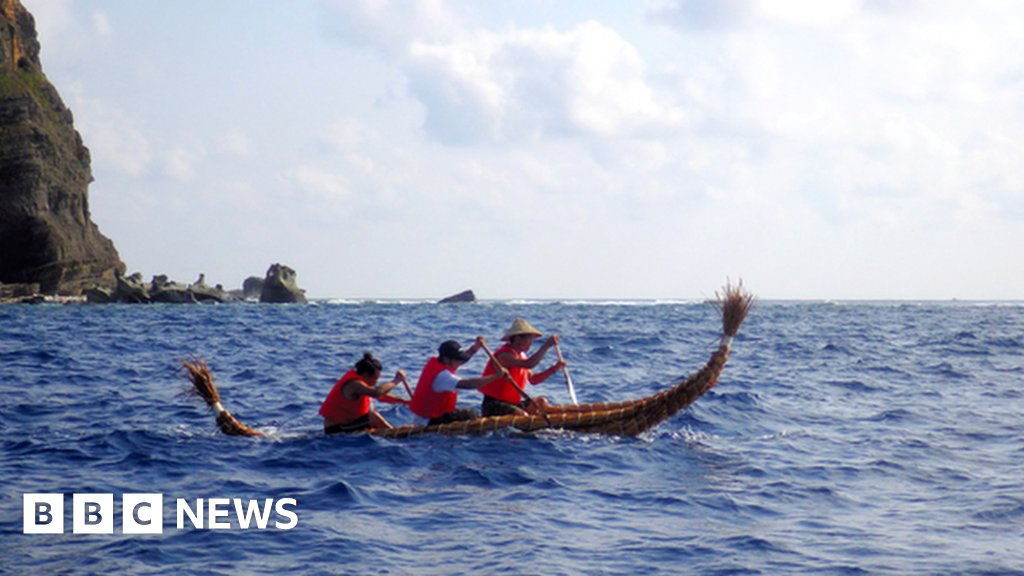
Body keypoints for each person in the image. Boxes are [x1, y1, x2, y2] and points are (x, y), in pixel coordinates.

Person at [409, 337, 510, 427]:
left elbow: (461, 360)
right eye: (457, 360)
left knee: (466, 413)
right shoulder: (443, 376)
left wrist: (474, 348)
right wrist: (496, 376)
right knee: (469, 413)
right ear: (446, 359)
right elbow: (470, 384)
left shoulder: (435, 362)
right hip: (428, 421)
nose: (459, 363)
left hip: (427, 416)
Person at [478, 318, 566, 417]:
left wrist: (554, 369)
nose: (531, 342)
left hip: (513, 404)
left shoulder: (521, 355)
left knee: (542, 402)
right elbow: (530, 364)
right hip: (495, 404)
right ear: (517, 338)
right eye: (529, 338)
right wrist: (546, 345)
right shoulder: (504, 355)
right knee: (521, 415)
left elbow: (533, 380)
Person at [319, 352, 409, 434]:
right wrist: (396, 381)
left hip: (351, 425)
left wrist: (406, 401)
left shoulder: (362, 384)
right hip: (337, 429)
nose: (375, 382)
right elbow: (377, 392)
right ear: (366, 375)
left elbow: (382, 396)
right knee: (373, 416)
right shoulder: (354, 385)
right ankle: (394, 434)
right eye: (375, 379)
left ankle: (392, 431)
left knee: (372, 413)